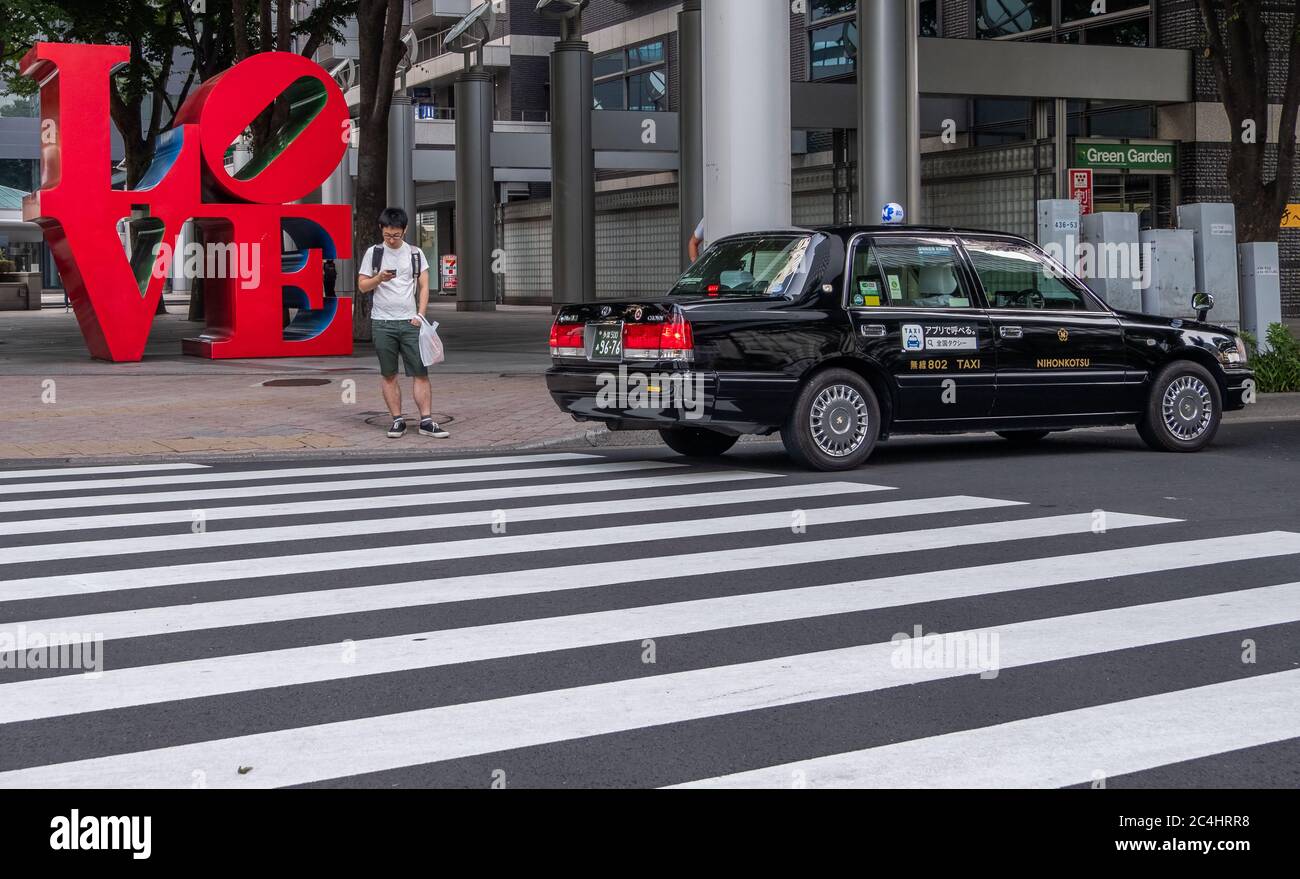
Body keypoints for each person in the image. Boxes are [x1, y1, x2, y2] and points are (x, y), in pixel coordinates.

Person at [357, 207, 450, 440]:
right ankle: (397, 420)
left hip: (410, 322)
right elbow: (362, 286)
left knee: (420, 372)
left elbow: (425, 286)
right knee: (389, 374)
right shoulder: (374, 253)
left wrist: (420, 314)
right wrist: (379, 278)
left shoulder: (415, 254)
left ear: (405, 230)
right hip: (382, 322)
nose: (391, 239)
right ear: (382, 229)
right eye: (387, 234)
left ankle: (426, 421)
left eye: (396, 235)